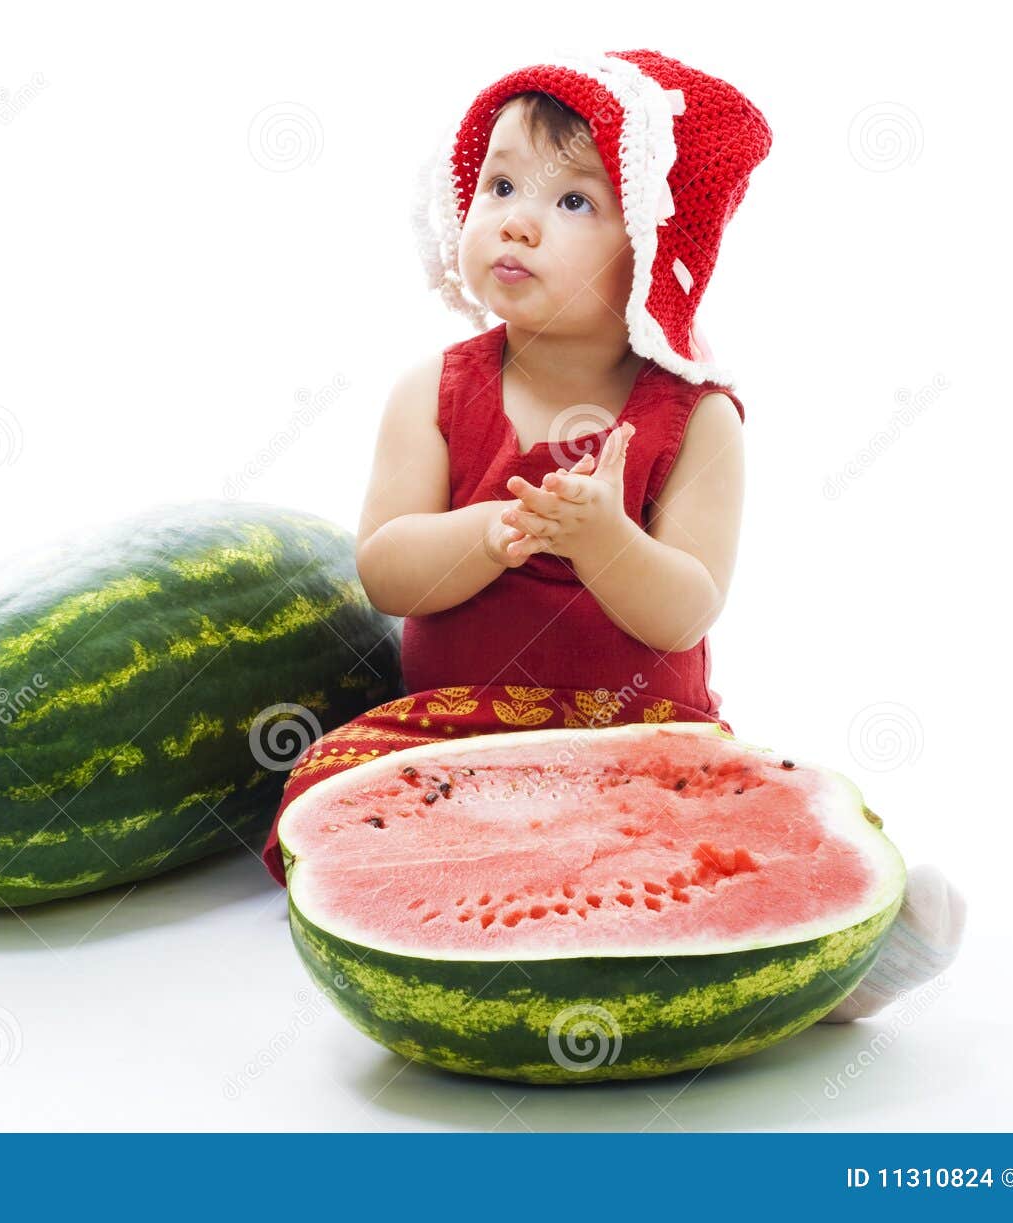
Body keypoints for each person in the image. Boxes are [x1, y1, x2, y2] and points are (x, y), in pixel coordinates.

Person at [267, 50, 964, 1022]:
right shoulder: (431, 392)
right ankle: (437, 927)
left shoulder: (697, 418)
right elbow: (387, 574)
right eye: (500, 186)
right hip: (457, 731)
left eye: (573, 201)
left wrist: (607, 543)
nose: (516, 219)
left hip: (639, 736)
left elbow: (684, 610)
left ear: (651, 245)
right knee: (317, 783)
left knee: (728, 832)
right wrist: (490, 531)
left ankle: (834, 964)